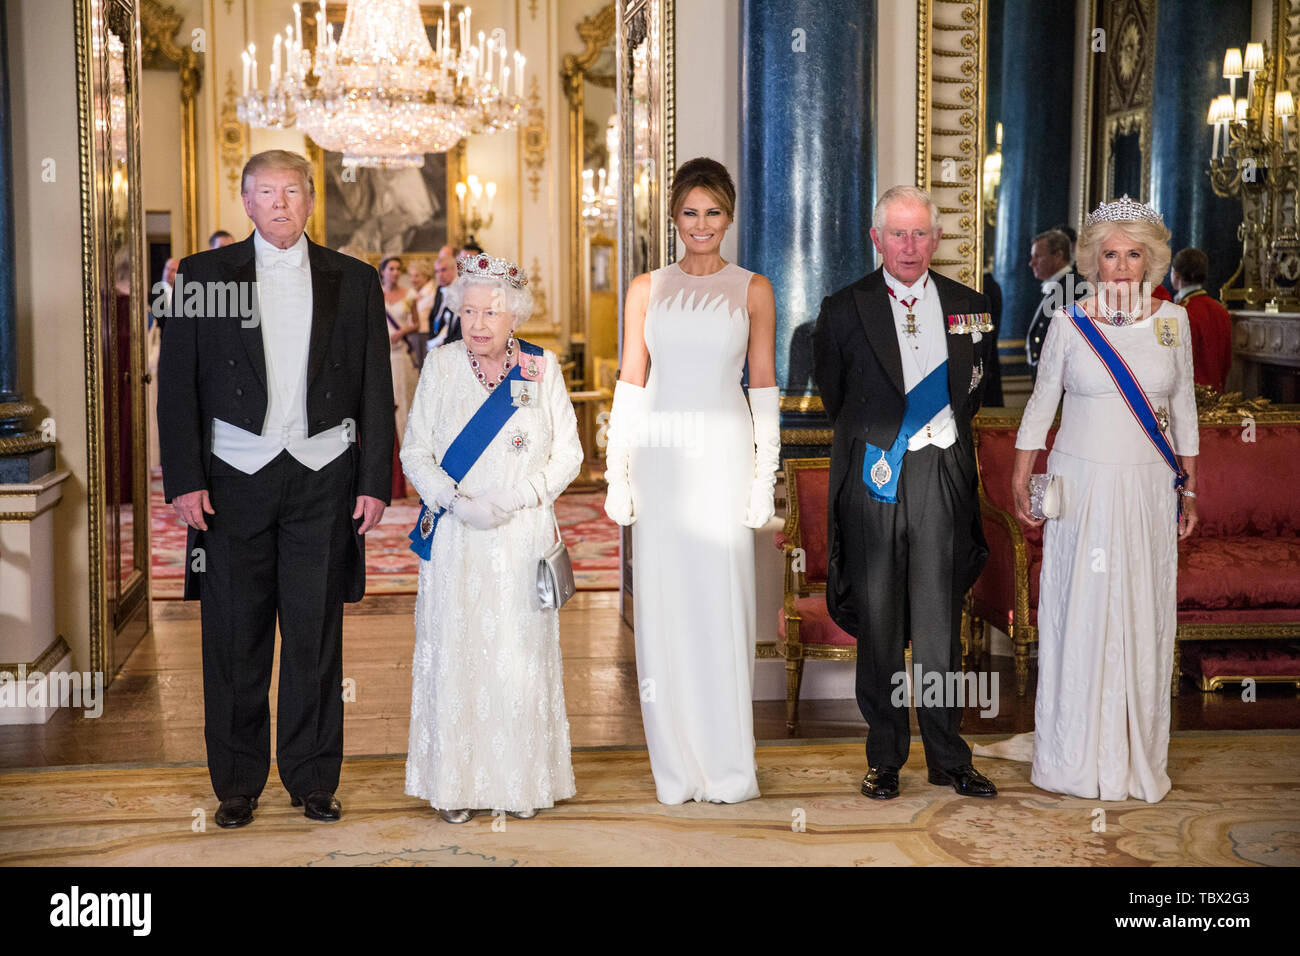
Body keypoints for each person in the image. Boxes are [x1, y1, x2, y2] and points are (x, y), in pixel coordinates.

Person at [157, 149, 393, 828]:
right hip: (233, 481)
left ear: (311, 201)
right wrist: (184, 479)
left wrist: (375, 479)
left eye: (292, 191)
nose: (281, 203)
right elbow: (178, 391)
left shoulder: (354, 279)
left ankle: (313, 779)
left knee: (316, 635)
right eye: (267, 192)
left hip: (324, 476)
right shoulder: (203, 276)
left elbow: (375, 389)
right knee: (235, 635)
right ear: (246, 201)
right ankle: (236, 784)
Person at [813, 184, 997, 801]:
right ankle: (885, 757)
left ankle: (949, 757)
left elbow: (976, 389)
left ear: (937, 239)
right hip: (877, 476)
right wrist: (887, 439)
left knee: (940, 624)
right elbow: (837, 399)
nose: (910, 246)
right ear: (876, 238)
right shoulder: (842, 309)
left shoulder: (970, 307)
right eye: (898, 233)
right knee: (882, 621)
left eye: (921, 233)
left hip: (941, 474)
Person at [603, 157, 779, 805]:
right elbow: (630, 385)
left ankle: (730, 769)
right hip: (662, 462)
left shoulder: (754, 288)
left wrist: (764, 481)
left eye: (712, 212)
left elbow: (763, 389)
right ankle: (676, 770)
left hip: (726, 459)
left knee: (722, 609)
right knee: (667, 612)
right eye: (689, 212)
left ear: (728, 217)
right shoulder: (644, 288)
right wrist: (617, 474)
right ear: (673, 217)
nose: (700, 224)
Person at [1012, 196, 1199, 803]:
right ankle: (1072, 754)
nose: (1120, 266)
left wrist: (1188, 487)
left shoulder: (1173, 323)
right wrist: (1022, 473)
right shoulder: (1070, 324)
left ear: (1151, 262)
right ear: (1092, 261)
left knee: (1140, 611)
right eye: (1110, 254)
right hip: (1084, 486)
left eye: (1133, 255)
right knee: (1083, 610)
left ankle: (1133, 755)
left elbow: (1185, 411)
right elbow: (1041, 406)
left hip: (1148, 485)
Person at [401, 253, 583, 822]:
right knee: (459, 657)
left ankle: (519, 782)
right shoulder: (440, 366)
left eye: (492, 312)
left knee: (517, 657)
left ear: (515, 317)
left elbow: (569, 454)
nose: (478, 322)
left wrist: (514, 497)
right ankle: (455, 785)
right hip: (458, 538)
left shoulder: (539, 367)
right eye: (469, 310)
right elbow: (415, 452)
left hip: (520, 536)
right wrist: (456, 502)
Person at [1166, 248, 1232, 391]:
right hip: (1216, 398)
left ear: (1176, 275)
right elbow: (1226, 362)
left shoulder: (1177, 313)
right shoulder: (1221, 311)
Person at [1026, 229, 1086, 381]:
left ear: (1058, 256)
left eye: (1038, 256)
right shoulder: (1057, 286)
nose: (1031, 263)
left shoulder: (1073, 289)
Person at [380, 255, 418, 441]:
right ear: (383, 271)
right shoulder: (376, 293)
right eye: (391, 268)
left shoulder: (409, 294)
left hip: (401, 352)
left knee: (403, 398)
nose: (395, 273)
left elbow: (417, 323)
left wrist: (401, 332)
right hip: (382, 353)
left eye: (398, 269)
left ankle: (406, 441)